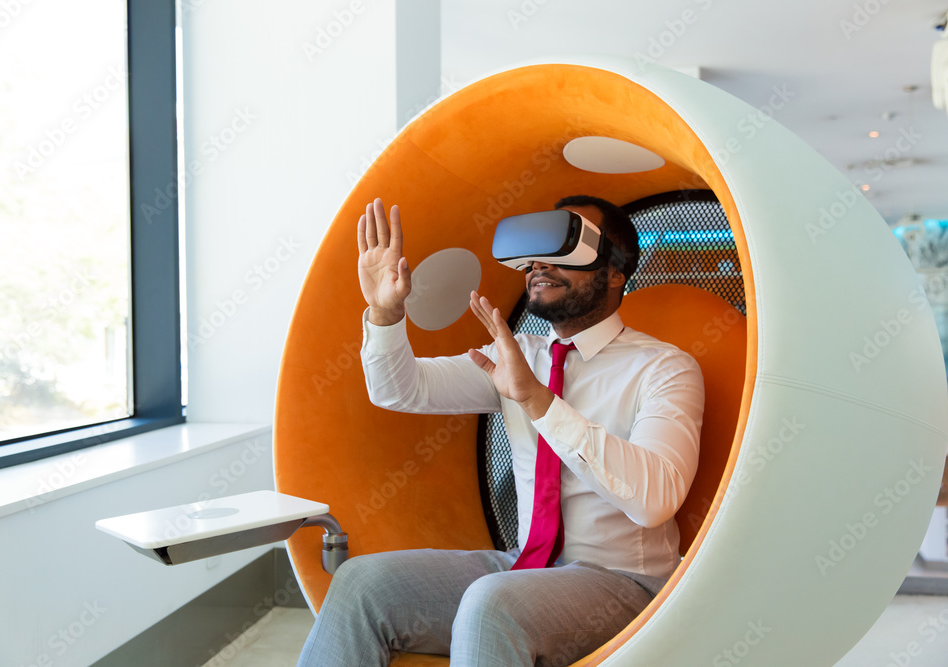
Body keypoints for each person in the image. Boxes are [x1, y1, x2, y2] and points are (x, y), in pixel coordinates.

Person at [296, 195, 705, 667]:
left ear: (616, 270)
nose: (539, 265)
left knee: (493, 603)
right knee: (362, 583)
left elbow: (653, 501)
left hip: (623, 583)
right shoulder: (518, 355)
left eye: (564, 246)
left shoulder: (664, 368)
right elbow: (399, 390)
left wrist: (536, 399)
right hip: (523, 564)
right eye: (534, 252)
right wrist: (385, 314)